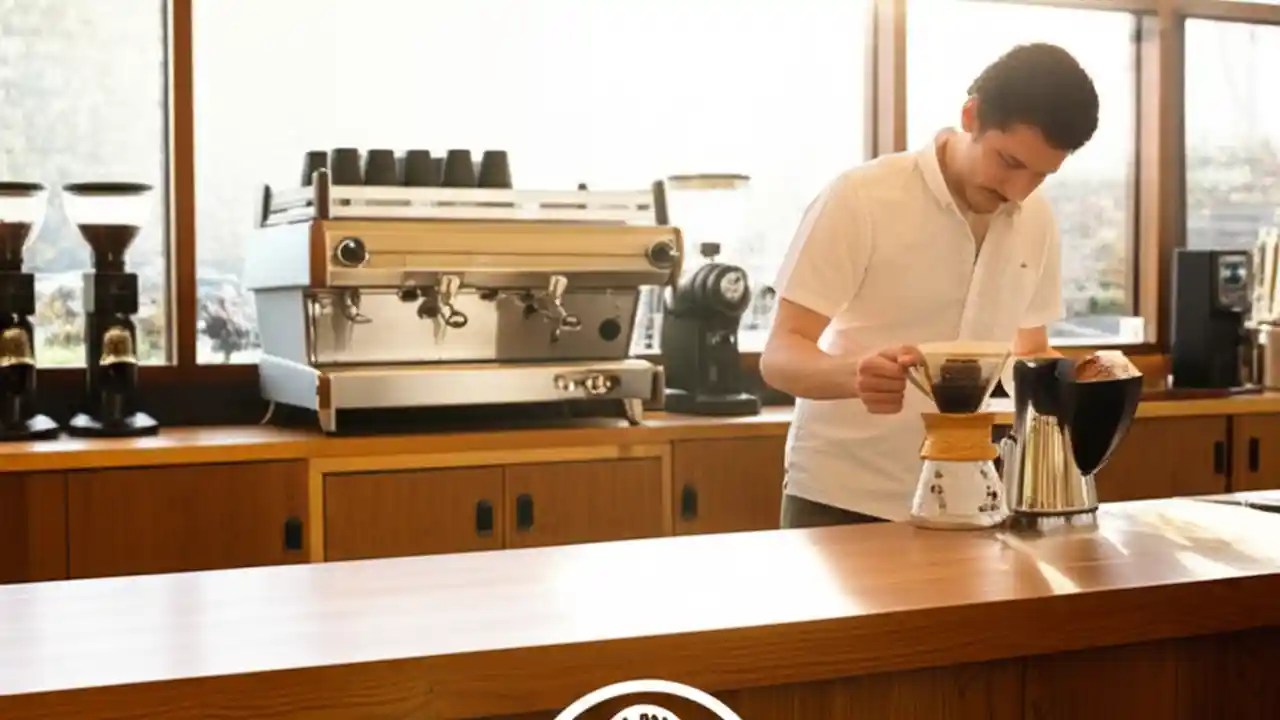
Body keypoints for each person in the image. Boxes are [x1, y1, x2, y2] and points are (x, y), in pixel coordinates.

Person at [760, 43, 1099, 528]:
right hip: (845, 496)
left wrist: (1084, 385)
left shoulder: (1036, 217)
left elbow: (1029, 351)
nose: (1017, 191)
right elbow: (780, 354)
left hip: (974, 500)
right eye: (1008, 161)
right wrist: (854, 375)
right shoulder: (862, 197)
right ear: (971, 114)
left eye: (1041, 175)